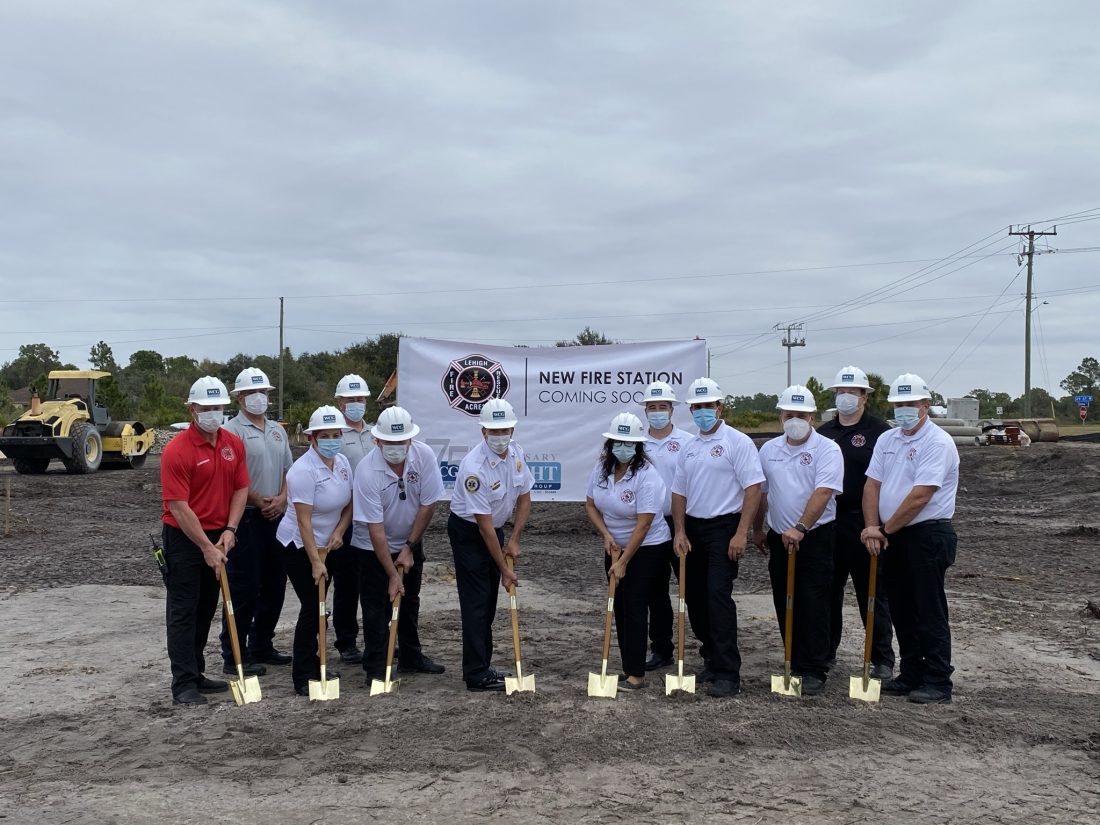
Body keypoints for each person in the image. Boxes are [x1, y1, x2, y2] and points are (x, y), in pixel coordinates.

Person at [862, 373, 960, 705]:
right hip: (892, 535)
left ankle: (937, 679)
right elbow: (872, 485)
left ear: (925, 405)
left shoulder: (938, 442)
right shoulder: (888, 440)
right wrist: (872, 526)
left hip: (926, 534)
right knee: (902, 609)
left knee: (928, 609)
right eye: (898, 404)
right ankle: (911, 673)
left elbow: (921, 496)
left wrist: (884, 531)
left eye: (910, 404)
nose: (903, 409)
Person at [671, 377, 765, 698]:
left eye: (707, 406)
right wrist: (680, 531)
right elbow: (679, 493)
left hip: (725, 529)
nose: (702, 412)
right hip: (693, 530)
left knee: (717, 596)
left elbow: (753, 488)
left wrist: (743, 532)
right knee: (694, 598)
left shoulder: (738, 442)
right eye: (696, 407)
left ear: (719, 407)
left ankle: (728, 672)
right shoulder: (689, 447)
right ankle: (710, 656)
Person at [160, 377, 249, 705]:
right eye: (207, 408)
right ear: (192, 409)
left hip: (220, 535)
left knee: (205, 608)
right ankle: (183, 683)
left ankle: (196, 671)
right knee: (183, 610)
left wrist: (230, 529)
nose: (214, 413)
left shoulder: (232, 444)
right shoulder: (177, 450)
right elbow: (178, 507)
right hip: (184, 538)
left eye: (218, 408)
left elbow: (241, 488)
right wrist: (206, 548)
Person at [754, 385, 844, 695]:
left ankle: (814, 667)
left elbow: (823, 493)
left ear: (813, 417)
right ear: (780, 416)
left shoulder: (827, 449)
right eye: (789, 414)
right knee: (784, 598)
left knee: (813, 600)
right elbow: (762, 494)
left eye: (801, 415)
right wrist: (757, 528)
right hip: (780, 537)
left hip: (814, 537)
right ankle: (792, 658)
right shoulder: (769, 450)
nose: (795, 420)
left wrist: (801, 527)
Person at [353, 406, 446, 683]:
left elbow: (428, 504)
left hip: (410, 540)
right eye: (390, 443)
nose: (396, 447)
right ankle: (376, 666)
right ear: (377, 440)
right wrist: (392, 574)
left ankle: (411, 656)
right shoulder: (367, 471)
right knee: (375, 606)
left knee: (410, 600)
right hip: (371, 547)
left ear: (410, 439)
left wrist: (408, 547)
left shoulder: (424, 455)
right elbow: (375, 529)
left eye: (401, 442)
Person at [448, 398, 535, 692]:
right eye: (494, 431)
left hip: (496, 530)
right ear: (483, 432)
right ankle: (475, 674)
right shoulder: (474, 467)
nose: (500, 436)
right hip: (469, 533)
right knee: (475, 602)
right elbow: (483, 526)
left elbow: (524, 496)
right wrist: (504, 569)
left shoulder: (517, 453)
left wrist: (514, 538)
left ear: (512, 429)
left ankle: (483, 664)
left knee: (487, 603)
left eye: (505, 430)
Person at [816, 365, 894, 679]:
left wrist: (877, 524)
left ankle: (882, 659)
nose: (846, 397)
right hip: (829, 521)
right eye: (840, 392)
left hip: (864, 523)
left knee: (871, 591)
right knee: (827, 591)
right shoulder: (823, 433)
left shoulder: (881, 432)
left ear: (864, 397)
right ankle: (826, 651)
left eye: (853, 392)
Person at [585, 413, 672, 690]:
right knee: (620, 605)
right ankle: (627, 664)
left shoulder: (647, 475)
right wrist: (607, 534)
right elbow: (590, 504)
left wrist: (624, 561)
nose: (623, 448)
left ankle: (636, 674)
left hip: (648, 548)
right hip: (615, 547)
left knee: (634, 604)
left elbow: (644, 524)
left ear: (638, 446)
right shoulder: (601, 469)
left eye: (630, 443)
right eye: (618, 442)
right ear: (610, 444)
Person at [219, 367, 294, 673]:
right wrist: (258, 500)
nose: (259, 398)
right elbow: (231, 478)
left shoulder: (278, 430)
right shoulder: (231, 432)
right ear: (239, 398)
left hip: (277, 516)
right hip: (247, 518)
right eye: (252, 393)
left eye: (262, 392)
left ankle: (262, 644)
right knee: (244, 587)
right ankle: (234, 653)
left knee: (275, 584)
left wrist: (282, 499)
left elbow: (289, 470)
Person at [276, 406, 353, 696]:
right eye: (326, 436)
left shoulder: (343, 462)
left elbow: (349, 504)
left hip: (328, 544)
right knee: (313, 606)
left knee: (321, 607)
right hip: (299, 547)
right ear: (312, 438)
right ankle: (303, 674)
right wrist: (314, 562)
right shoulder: (302, 472)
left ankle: (318, 660)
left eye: (336, 435)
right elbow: (303, 522)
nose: (332, 440)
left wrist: (339, 532)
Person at [640, 381, 691, 672]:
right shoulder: (637, 444)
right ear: (646, 411)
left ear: (672, 410)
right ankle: (662, 649)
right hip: (650, 525)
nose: (657, 412)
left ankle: (708, 650)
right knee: (655, 592)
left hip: (681, 522)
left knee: (691, 589)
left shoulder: (687, 441)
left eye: (662, 407)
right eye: (652, 407)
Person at [330, 373, 374, 665]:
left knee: (371, 582)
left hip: (372, 518)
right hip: (342, 518)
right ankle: (346, 642)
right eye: (350, 400)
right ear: (340, 402)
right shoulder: (332, 435)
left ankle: (377, 639)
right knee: (346, 584)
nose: (356, 404)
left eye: (360, 399)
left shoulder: (375, 434)